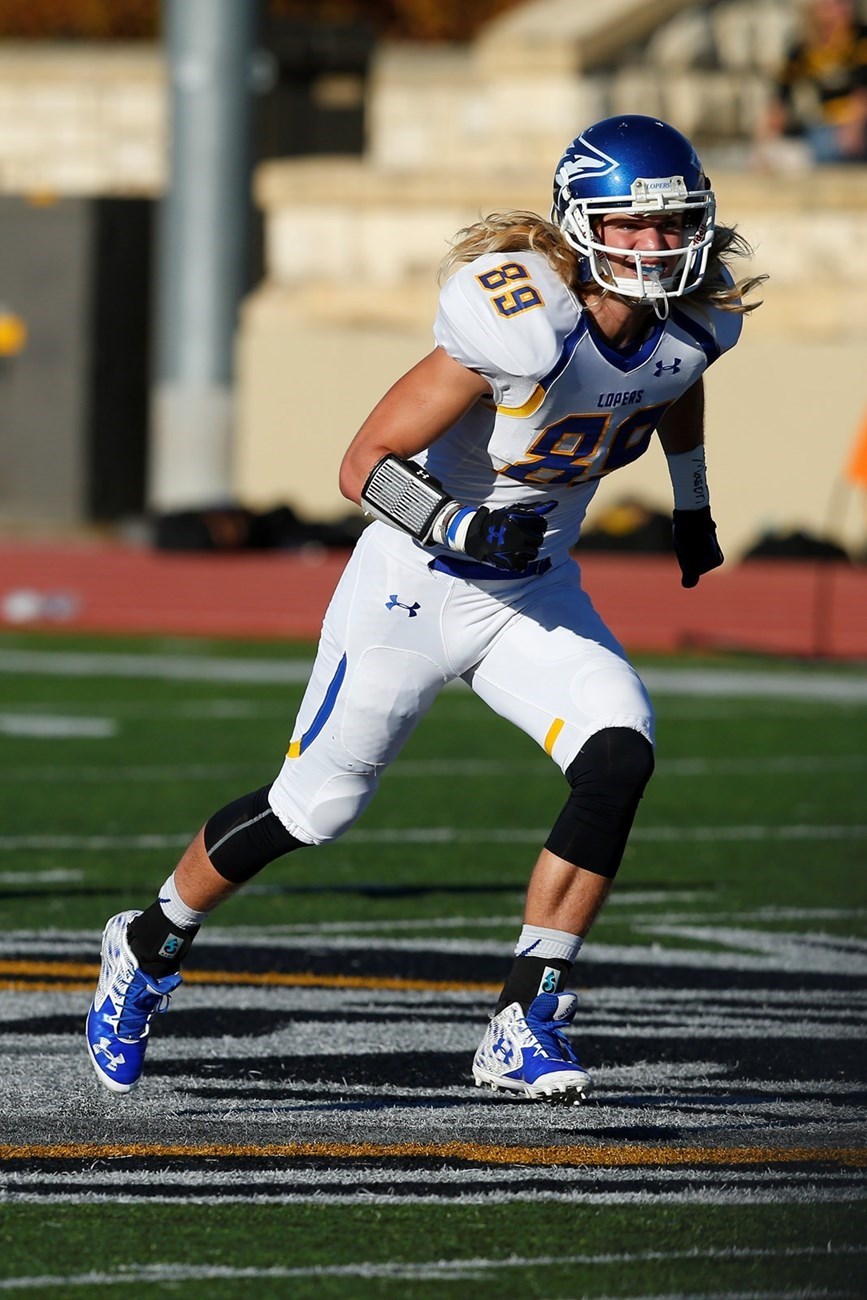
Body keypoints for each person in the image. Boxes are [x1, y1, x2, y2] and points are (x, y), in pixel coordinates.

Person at [85, 114, 764, 1105]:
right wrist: (458, 528)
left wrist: (694, 501)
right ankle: (146, 942)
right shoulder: (527, 322)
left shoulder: (697, 321)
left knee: (621, 749)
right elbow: (363, 461)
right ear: (583, 228)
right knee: (312, 809)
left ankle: (522, 1019)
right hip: (413, 585)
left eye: (673, 226)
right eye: (632, 226)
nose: (657, 247)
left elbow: (673, 382)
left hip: (529, 591)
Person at [759, 0, 867, 165]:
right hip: (828, 128)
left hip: (856, 128)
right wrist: (765, 141)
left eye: (844, 4)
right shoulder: (807, 46)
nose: (842, 10)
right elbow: (782, 90)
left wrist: (854, 128)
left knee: (822, 149)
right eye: (834, 5)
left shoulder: (860, 39)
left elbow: (862, 89)